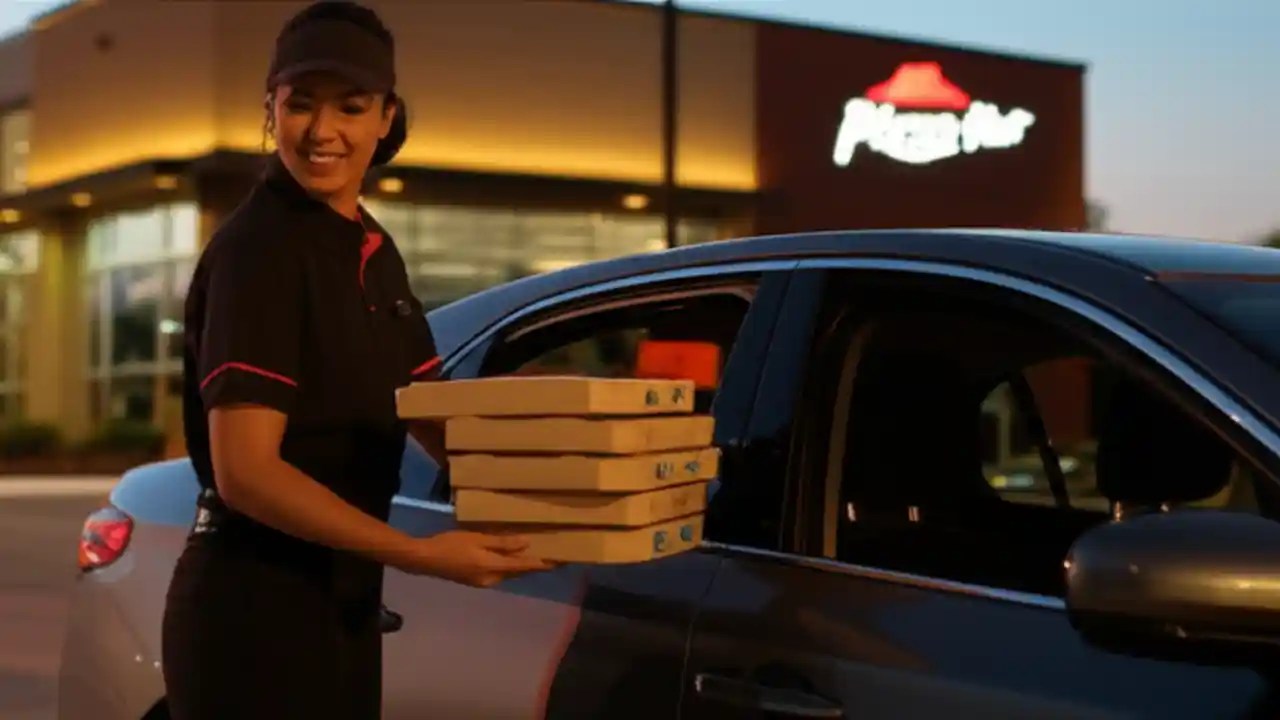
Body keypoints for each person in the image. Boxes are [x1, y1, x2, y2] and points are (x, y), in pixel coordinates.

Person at [160, 3, 554, 718]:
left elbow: (432, 412)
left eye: (351, 105)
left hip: (342, 604)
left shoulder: (371, 248)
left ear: (386, 118)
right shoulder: (262, 251)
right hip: (254, 613)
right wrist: (427, 554)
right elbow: (246, 473)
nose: (322, 131)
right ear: (270, 109)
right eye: (300, 104)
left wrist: (571, 495)